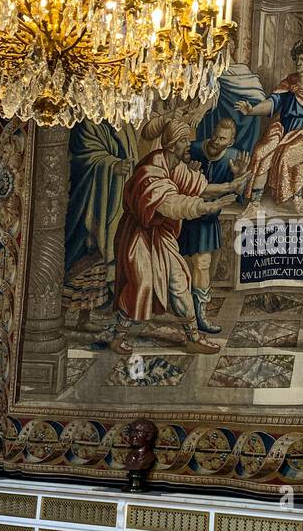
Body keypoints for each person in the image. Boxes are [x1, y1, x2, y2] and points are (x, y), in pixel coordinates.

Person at [112, 116, 244, 354]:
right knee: (142, 283)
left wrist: (229, 187)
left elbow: (199, 187)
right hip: (138, 236)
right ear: (173, 144)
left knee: (179, 280)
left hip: (160, 235)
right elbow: (172, 205)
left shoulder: (175, 166)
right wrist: (209, 207)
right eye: (185, 141)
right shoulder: (151, 171)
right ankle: (119, 335)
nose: (190, 146)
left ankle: (193, 336)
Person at [236, 39, 303, 215]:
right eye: (297, 59)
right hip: (283, 130)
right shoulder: (289, 83)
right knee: (262, 153)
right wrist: (251, 110)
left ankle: (296, 196)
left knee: (289, 154)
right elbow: (273, 103)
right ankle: (254, 203)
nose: (299, 62)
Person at [178, 119, 247, 334]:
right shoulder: (194, 148)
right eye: (215, 135)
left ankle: (200, 315)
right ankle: (182, 311)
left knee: (202, 264)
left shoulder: (234, 157)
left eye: (223, 139)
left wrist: (237, 175)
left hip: (206, 221)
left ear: (231, 141)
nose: (217, 141)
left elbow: (239, 196)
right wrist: (186, 170)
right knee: (179, 265)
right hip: (181, 214)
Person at [64, 119, 137, 313]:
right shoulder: (87, 124)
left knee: (98, 265)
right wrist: (112, 166)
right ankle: (61, 315)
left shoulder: (122, 123)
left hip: (111, 205)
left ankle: (84, 319)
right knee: (80, 256)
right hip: (87, 203)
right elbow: (83, 158)